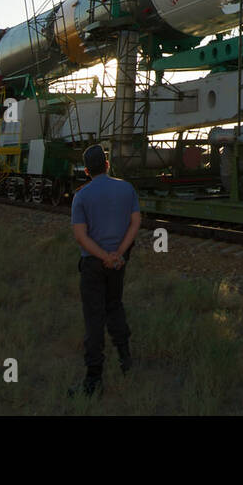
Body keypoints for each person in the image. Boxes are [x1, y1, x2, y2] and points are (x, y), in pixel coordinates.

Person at [69, 145, 141, 397]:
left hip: (93, 265)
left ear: (87, 170)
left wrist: (102, 257)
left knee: (94, 318)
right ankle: (125, 359)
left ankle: (93, 379)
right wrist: (118, 254)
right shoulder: (126, 189)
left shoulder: (82, 196)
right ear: (108, 164)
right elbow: (135, 223)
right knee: (115, 306)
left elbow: (81, 236)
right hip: (118, 264)